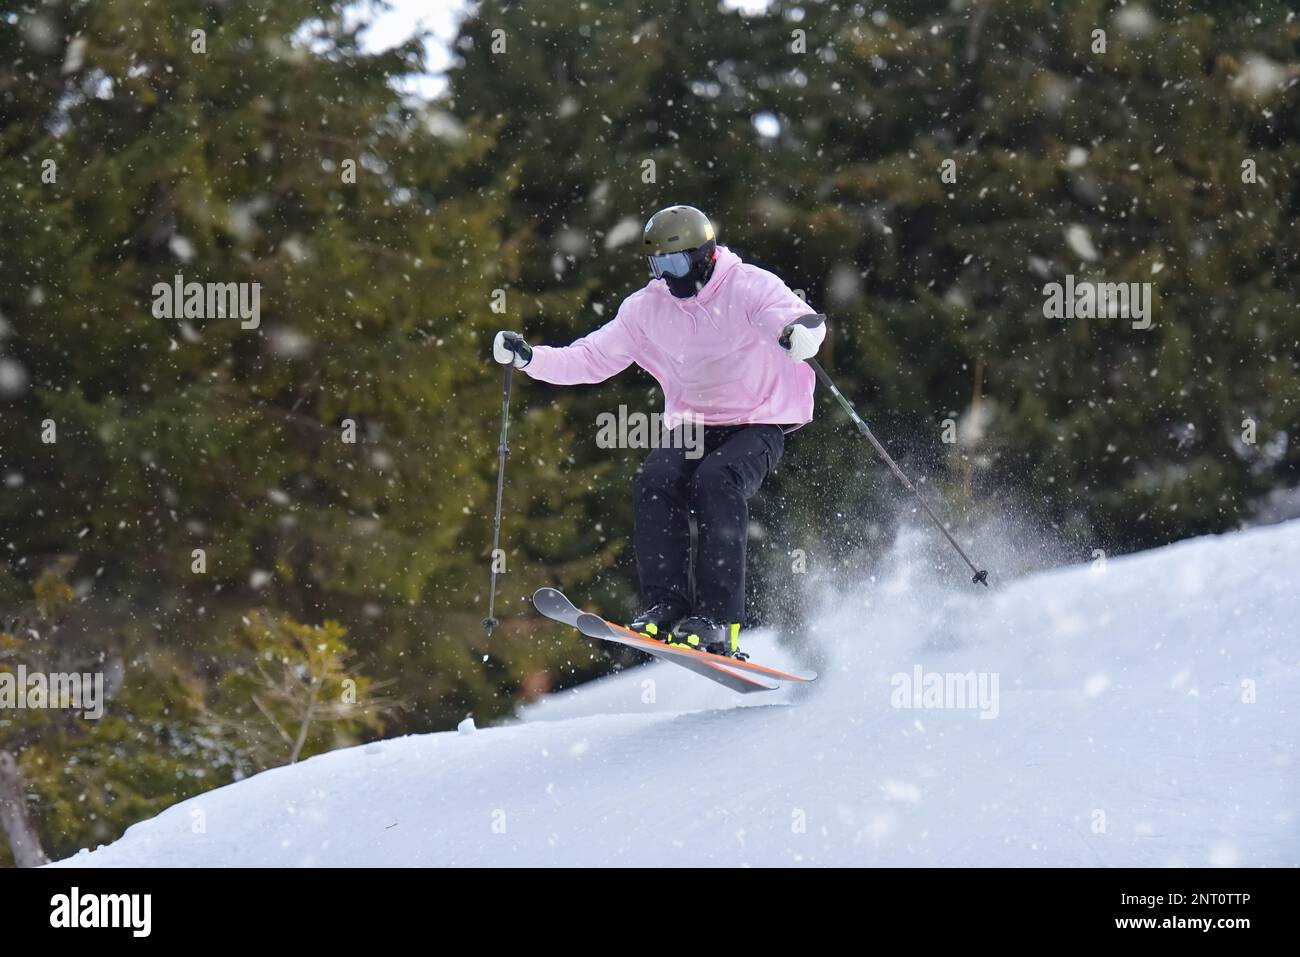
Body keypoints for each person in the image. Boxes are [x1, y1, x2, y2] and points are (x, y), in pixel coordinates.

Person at [493, 205, 824, 658]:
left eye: (677, 264)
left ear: (705, 255)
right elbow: (591, 358)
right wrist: (531, 359)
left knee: (717, 480)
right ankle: (665, 606)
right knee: (655, 480)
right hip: (695, 424)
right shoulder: (647, 308)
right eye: (658, 265)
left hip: (759, 420)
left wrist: (799, 334)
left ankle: (718, 622)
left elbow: (796, 317)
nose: (668, 276)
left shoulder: (747, 285)